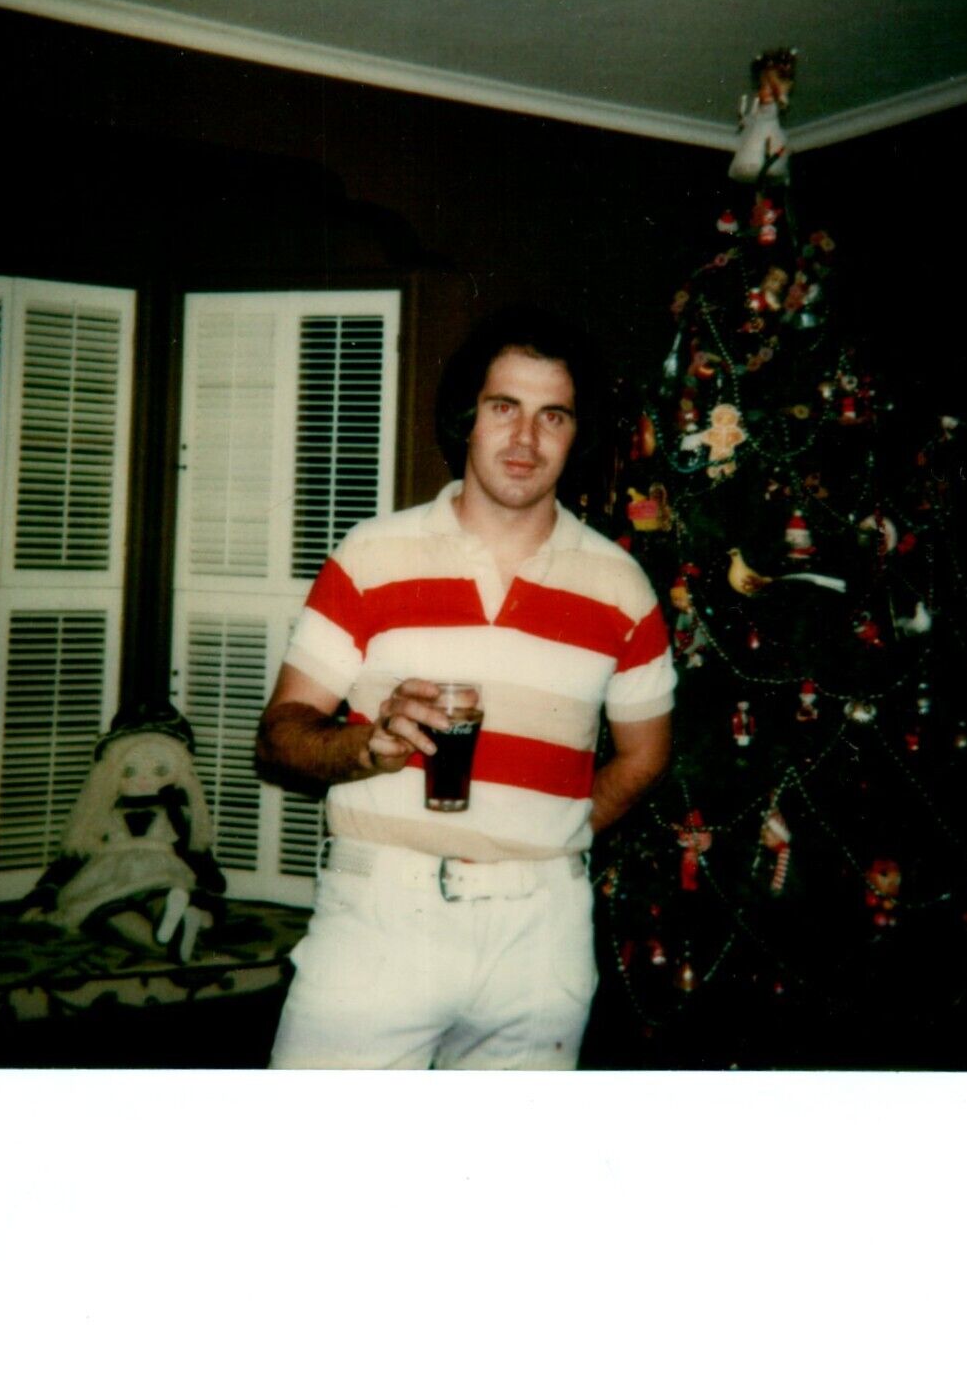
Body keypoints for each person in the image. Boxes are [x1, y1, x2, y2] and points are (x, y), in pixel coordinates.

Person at [256, 306, 675, 1068]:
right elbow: (279, 735)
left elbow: (645, 756)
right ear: (469, 419)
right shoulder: (371, 554)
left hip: (539, 937)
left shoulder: (623, 587)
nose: (526, 439)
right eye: (504, 407)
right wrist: (366, 748)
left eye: (554, 416)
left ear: (576, 435)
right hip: (380, 918)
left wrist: (552, 833)